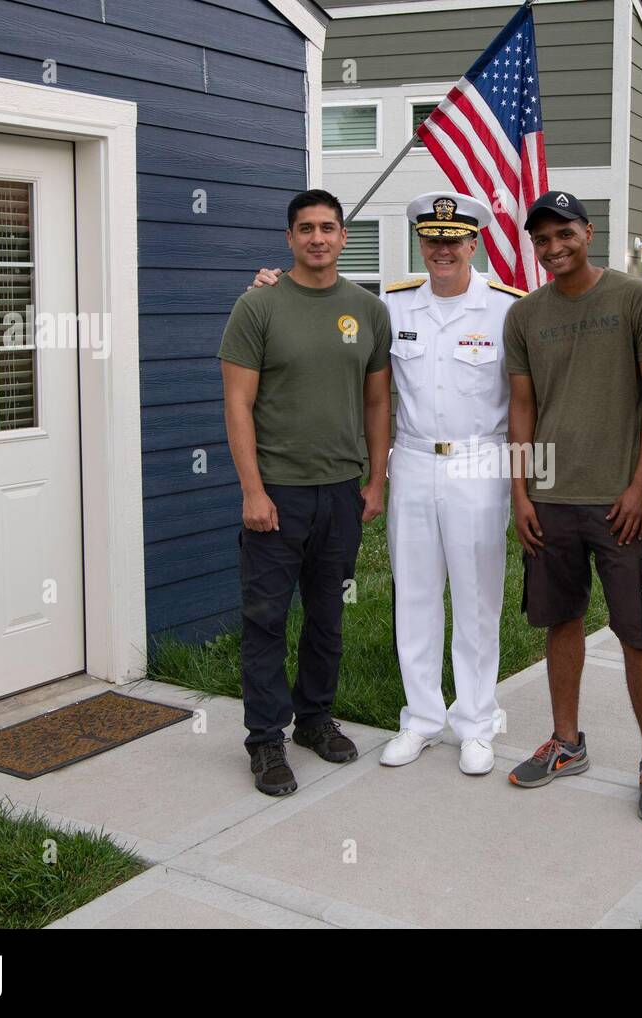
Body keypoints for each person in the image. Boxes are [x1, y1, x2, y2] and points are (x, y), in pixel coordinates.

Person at [249, 192, 524, 777]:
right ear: (420, 243)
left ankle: (476, 721)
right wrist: (269, 284)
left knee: (476, 599)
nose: (442, 249)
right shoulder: (392, 307)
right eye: (432, 239)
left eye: (454, 239)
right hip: (414, 460)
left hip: (479, 461)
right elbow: (326, 316)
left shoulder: (505, 309)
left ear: (473, 242)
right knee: (416, 596)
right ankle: (421, 718)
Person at [503, 190, 642, 822]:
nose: (554, 248)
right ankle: (566, 742)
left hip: (618, 501)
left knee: (638, 631)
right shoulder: (524, 315)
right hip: (550, 499)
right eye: (542, 240)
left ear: (588, 230)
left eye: (564, 234)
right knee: (561, 621)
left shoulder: (635, 299)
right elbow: (521, 407)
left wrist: (639, 484)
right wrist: (520, 492)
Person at [219, 189, 392, 797]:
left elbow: (377, 401)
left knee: (327, 617)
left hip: (341, 494)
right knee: (265, 619)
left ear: (344, 236)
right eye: (305, 229)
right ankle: (266, 738)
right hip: (277, 495)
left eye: (328, 228)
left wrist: (376, 479)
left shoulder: (367, 310)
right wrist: (252, 491)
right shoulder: (258, 307)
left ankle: (314, 718)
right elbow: (237, 403)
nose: (317, 238)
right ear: (289, 238)